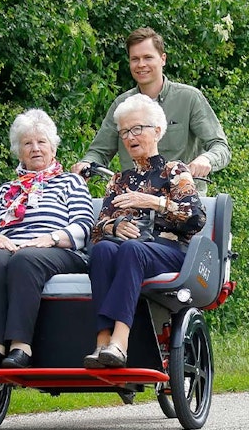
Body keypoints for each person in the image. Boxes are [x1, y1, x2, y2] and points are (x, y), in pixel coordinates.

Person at [83, 94, 206, 368]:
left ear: (158, 131)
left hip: (170, 251)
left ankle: (120, 341)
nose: (130, 137)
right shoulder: (118, 180)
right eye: (125, 131)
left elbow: (196, 217)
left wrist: (154, 202)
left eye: (137, 128)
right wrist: (115, 225)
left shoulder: (175, 171)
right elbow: (97, 230)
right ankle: (102, 340)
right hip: (129, 252)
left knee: (131, 249)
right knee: (103, 249)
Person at [0, 109, 95, 369]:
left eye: (42, 142)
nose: (36, 148)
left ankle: (21, 346)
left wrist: (50, 238)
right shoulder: (7, 189)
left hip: (58, 250)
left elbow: (84, 226)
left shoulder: (71, 182)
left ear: (53, 147)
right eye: (28, 143)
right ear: (19, 152)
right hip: (13, 247)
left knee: (26, 259)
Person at [71, 27, 230, 180]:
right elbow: (99, 151)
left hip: (182, 198)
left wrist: (206, 160)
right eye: (135, 59)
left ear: (163, 59)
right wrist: (86, 164)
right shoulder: (122, 104)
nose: (141, 64)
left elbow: (220, 147)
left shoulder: (189, 99)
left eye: (148, 57)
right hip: (132, 198)